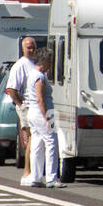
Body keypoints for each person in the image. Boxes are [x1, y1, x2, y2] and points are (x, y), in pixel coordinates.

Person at [27, 48, 64, 188]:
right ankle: (52, 178)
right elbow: (40, 98)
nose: (50, 65)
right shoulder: (40, 77)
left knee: (37, 143)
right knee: (51, 143)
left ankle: (36, 177)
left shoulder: (32, 74)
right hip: (44, 112)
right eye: (49, 61)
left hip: (33, 112)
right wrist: (47, 117)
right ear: (44, 61)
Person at [5, 36, 39, 186]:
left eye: (32, 47)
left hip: (35, 106)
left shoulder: (34, 63)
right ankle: (27, 172)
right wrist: (21, 105)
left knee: (35, 140)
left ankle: (33, 172)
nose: (31, 50)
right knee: (31, 140)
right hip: (27, 106)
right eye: (28, 47)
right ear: (22, 48)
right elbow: (11, 89)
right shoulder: (20, 65)